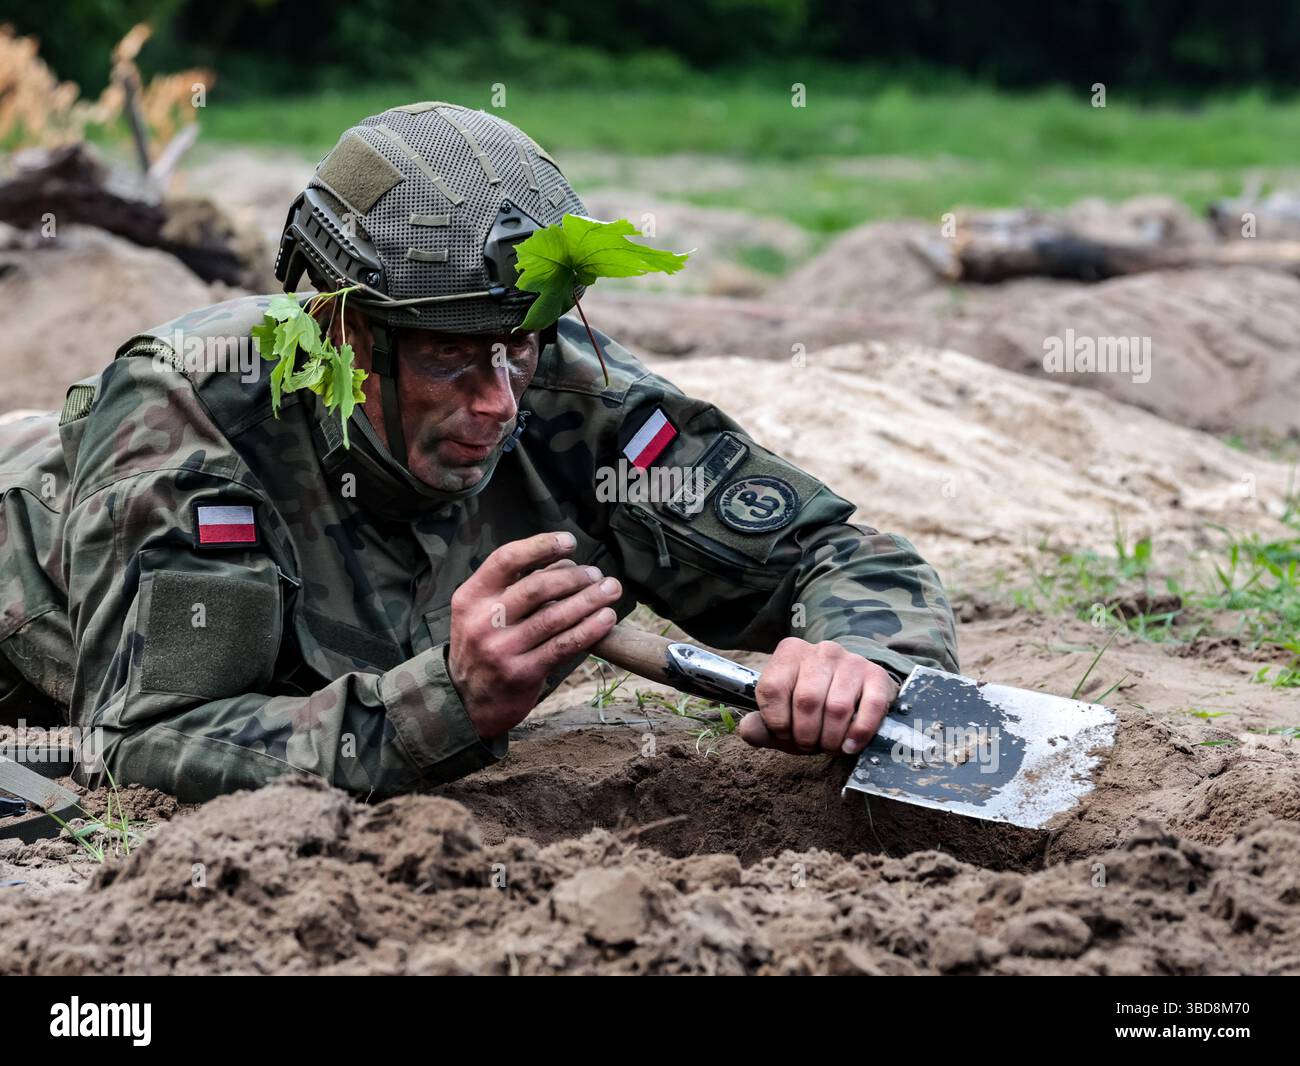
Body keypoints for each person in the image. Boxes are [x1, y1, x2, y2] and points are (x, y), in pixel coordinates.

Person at [0, 102, 958, 802]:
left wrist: (861, 654)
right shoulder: (192, 410)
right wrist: (444, 702)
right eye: (451, 354)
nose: (500, 399)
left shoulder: (578, 400)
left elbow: (843, 555)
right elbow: (138, 744)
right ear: (340, 333)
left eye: (520, 343)